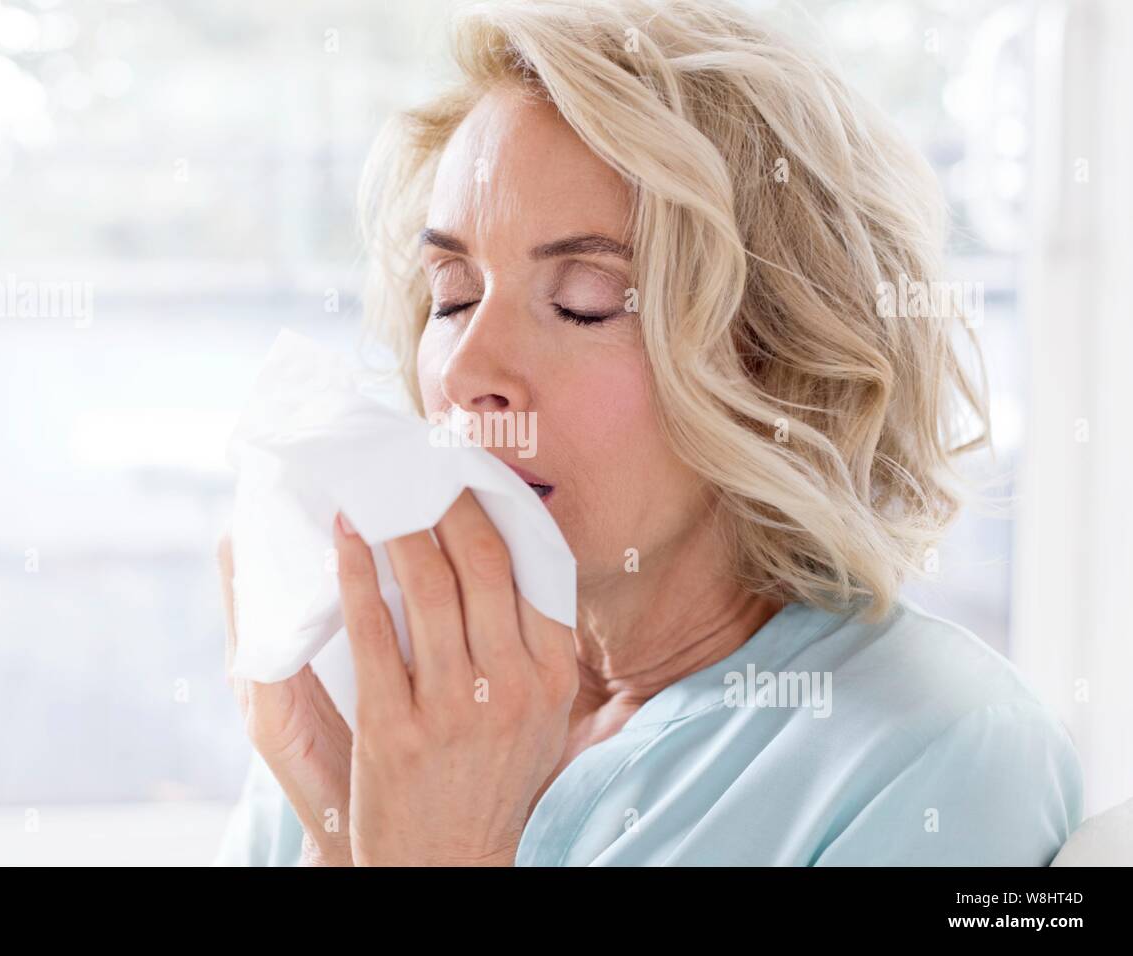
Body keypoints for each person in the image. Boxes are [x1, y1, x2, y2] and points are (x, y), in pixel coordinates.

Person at [214, 0, 1082, 866]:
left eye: (582, 303)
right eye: (454, 295)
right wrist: (336, 830)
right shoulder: (380, 698)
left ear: (775, 358)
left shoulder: (945, 754)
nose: (471, 373)